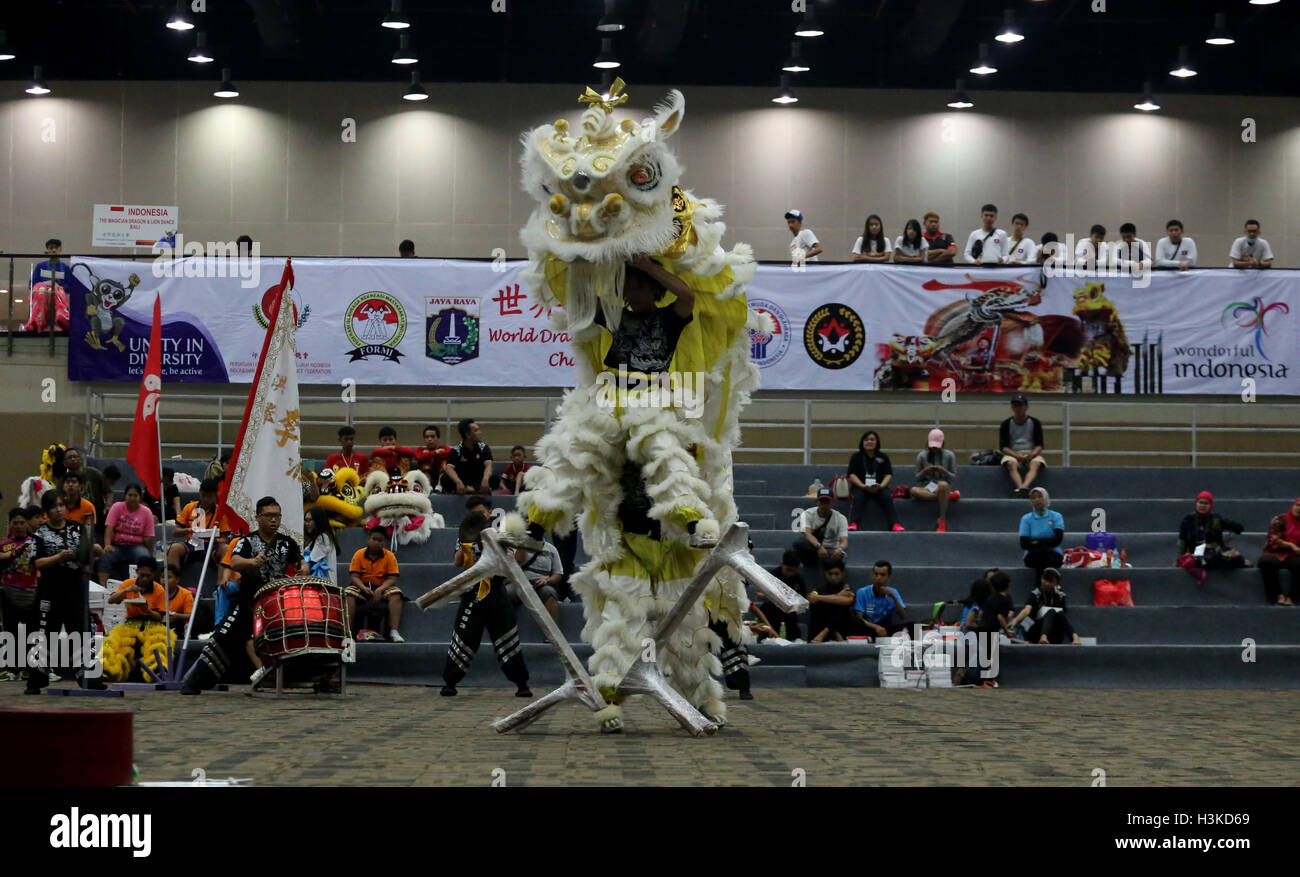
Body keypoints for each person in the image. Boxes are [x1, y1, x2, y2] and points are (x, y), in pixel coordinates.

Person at [181, 496, 301, 694]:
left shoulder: (287, 543)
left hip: (276, 604)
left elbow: (299, 563)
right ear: (258, 517)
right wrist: (252, 562)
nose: (274, 520)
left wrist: (302, 568)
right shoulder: (247, 541)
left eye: (277, 516)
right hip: (249, 602)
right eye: (269, 516)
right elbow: (234, 562)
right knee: (223, 635)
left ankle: (284, 677)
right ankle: (195, 682)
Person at [440, 498, 531, 697]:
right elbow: (458, 563)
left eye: (481, 513)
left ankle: (522, 684)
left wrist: (521, 538)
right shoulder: (466, 531)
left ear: (489, 513)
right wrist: (466, 542)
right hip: (472, 590)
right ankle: (450, 682)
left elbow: (520, 559)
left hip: (497, 589)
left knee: (507, 637)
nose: (478, 517)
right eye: (474, 514)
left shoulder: (502, 531)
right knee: (464, 637)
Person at [26, 491, 100, 693]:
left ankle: (88, 674)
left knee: (81, 630)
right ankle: (37, 677)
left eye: (61, 505)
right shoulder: (39, 534)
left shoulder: (76, 528)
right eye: (54, 506)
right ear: (47, 511)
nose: (59, 509)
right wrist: (59, 557)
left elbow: (86, 553)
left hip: (75, 587)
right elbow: (37, 563)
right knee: (45, 633)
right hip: (51, 588)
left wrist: (93, 549)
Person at [1175, 491, 1250, 587]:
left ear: (1211, 505)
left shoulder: (1216, 518)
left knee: (1235, 558)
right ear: (1196, 503)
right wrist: (1179, 558)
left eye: (1206, 503)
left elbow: (1238, 528)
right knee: (1201, 560)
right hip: (1196, 554)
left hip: (1216, 551)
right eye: (1200, 502)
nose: (1202, 505)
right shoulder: (1187, 519)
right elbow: (1182, 540)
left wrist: (1231, 533)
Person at [347, 526, 405, 642]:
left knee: (397, 594)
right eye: (374, 539)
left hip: (382, 587)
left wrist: (380, 590)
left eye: (381, 540)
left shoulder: (390, 556)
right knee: (347, 593)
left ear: (385, 542)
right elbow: (354, 576)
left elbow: (392, 578)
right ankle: (347, 632)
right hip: (361, 586)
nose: (377, 542)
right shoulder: (359, 554)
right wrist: (363, 587)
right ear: (368, 539)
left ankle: (394, 631)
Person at [167, 478, 237, 572]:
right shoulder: (189, 507)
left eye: (210, 496)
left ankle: (222, 583)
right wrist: (189, 530)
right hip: (192, 544)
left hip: (211, 547)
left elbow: (224, 539)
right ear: (199, 492)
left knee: (226, 548)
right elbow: (175, 532)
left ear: (215, 496)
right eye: (203, 495)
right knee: (175, 548)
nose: (206, 499)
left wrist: (215, 539)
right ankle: (172, 581)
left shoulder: (220, 512)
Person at [96, 484, 157, 588]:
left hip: (137, 546)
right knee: (105, 557)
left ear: (140, 497)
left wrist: (150, 554)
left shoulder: (146, 512)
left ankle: (143, 588)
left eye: (135, 495)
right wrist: (107, 545)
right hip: (117, 545)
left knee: (144, 557)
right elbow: (109, 528)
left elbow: (148, 537)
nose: (132, 498)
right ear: (125, 496)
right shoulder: (117, 507)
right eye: (130, 495)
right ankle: (103, 588)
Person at [0, 508, 39, 670]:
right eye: (15, 523)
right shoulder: (3, 545)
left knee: (32, 633)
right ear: (10, 524)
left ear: (27, 524)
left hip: (31, 592)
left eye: (22, 522)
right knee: (10, 632)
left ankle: (31, 668)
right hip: (9, 592)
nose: (18, 526)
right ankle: (12, 669)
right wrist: (11, 555)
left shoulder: (35, 543)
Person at [846, 430, 903, 532]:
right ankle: (853, 523)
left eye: (872, 440)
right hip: (861, 487)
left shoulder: (883, 457)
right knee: (858, 497)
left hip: (879, 487)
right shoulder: (856, 457)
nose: (869, 442)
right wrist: (863, 486)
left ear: (877, 442)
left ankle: (895, 524)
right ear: (862, 442)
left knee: (887, 497)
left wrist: (881, 486)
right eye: (866, 440)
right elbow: (852, 475)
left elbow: (888, 474)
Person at [1008, 568, 1079, 644]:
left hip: (1053, 632)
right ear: (1041, 579)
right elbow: (1027, 610)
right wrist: (1015, 621)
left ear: (1056, 583)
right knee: (1051, 611)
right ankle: (1044, 636)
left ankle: (1074, 637)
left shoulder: (1060, 595)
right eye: (1045, 580)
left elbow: (1061, 616)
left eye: (1050, 581)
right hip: (1036, 629)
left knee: (1059, 614)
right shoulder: (1036, 593)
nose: (1047, 583)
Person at [910, 428, 960, 532]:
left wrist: (944, 471)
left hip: (943, 485)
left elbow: (954, 477)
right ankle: (947, 496)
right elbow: (917, 478)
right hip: (927, 487)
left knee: (942, 485)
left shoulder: (949, 455)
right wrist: (924, 471)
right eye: (932, 446)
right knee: (913, 490)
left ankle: (942, 519)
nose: (934, 449)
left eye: (936, 446)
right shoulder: (922, 456)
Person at [508, 531, 564, 623]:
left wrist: (547, 580)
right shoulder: (515, 545)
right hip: (520, 583)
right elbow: (515, 562)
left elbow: (558, 574)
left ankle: (551, 635)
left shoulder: (552, 549)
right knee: (507, 593)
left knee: (550, 593)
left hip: (541, 584)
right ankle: (506, 632)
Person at [754, 549, 806, 641]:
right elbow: (759, 594)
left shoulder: (799, 579)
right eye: (787, 570)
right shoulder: (772, 575)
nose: (790, 573)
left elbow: (803, 599)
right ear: (782, 565)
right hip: (772, 609)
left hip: (789, 611)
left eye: (792, 571)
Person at [791, 487, 849, 571]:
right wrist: (819, 547)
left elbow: (844, 541)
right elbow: (807, 533)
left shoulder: (841, 518)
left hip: (832, 550)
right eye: (822, 501)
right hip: (815, 549)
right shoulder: (807, 514)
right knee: (799, 544)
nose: (824, 505)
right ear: (817, 502)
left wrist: (839, 549)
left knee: (840, 556)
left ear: (833, 502)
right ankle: (814, 565)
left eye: (827, 501)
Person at [999, 394, 1046, 496]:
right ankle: (1020, 487)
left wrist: (1032, 455)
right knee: (1011, 464)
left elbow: (1039, 445)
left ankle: (1025, 486)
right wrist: (1016, 456)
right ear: (1012, 408)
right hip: (1013, 453)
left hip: (1031, 452)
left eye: (1021, 406)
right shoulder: (1006, 424)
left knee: (1036, 464)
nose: (1018, 409)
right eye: (1015, 406)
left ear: (1026, 407)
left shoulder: (1035, 422)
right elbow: (1003, 447)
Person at [1258, 497, 1300, 606]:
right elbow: (1273, 539)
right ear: (1293, 506)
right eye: (1298, 505)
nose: (1299, 508)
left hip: (1294, 555)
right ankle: (1277, 595)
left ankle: (1292, 597)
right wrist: (1290, 545)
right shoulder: (1280, 519)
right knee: (1267, 561)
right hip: (1275, 551)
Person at [852, 560, 907, 639]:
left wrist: (893, 597)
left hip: (886, 628)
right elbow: (859, 618)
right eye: (876, 574)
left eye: (882, 575)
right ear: (872, 575)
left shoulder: (893, 592)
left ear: (889, 577)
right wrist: (876, 627)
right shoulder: (862, 592)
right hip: (869, 628)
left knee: (913, 626)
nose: (878, 578)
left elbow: (903, 616)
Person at [443, 418, 495, 495]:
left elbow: (488, 464)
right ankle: (475, 491)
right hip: (462, 482)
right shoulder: (456, 450)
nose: (480, 432)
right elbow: (449, 468)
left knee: (494, 479)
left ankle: (471, 490)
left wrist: (485, 479)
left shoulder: (484, 447)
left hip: (479, 481)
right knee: (445, 479)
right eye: (476, 430)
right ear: (468, 435)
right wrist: (458, 482)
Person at [1019, 486, 1064, 577]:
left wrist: (1037, 542)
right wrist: (1045, 543)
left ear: (1046, 498)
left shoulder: (1056, 516)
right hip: (1032, 555)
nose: (1037, 500)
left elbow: (1057, 540)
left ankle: (1039, 588)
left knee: (1046, 556)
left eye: (1040, 496)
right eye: (1033, 498)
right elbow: (1024, 544)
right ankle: (1050, 587)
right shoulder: (1026, 518)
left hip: (1054, 553)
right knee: (1040, 556)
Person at [807, 561, 855, 643]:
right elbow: (810, 598)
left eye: (836, 574)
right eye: (830, 574)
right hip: (820, 629)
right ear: (825, 574)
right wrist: (838, 595)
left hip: (841, 629)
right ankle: (831, 632)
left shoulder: (847, 589)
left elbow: (848, 601)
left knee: (841, 607)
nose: (833, 577)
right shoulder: (818, 590)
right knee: (819, 607)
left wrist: (820, 598)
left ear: (843, 574)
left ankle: (827, 632)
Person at [61, 447, 109, 529]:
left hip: (97, 514)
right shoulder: (63, 479)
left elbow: (108, 491)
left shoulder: (94, 473)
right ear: (64, 463)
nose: (73, 459)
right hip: (74, 516)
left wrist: (108, 506)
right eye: (69, 457)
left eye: (75, 456)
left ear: (80, 459)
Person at [303, 506, 340, 586]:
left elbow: (310, 562)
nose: (306, 524)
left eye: (309, 520)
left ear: (318, 521)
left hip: (326, 587)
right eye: (305, 520)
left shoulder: (323, 538)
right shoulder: (313, 541)